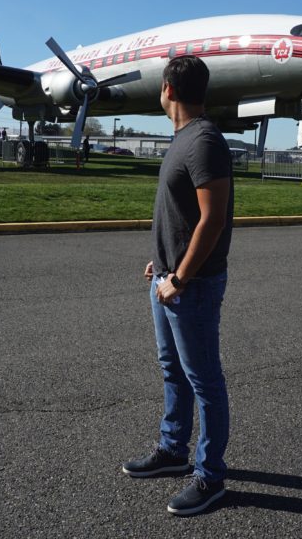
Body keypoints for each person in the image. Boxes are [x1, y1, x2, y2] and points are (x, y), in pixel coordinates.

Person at [121, 55, 234, 516]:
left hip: (192, 286)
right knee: (173, 371)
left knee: (204, 380)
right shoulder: (184, 139)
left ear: (168, 89)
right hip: (169, 278)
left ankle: (210, 477)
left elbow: (213, 220)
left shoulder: (204, 141)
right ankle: (173, 451)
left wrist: (181, 276)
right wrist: (163, 262)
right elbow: (184, 215)